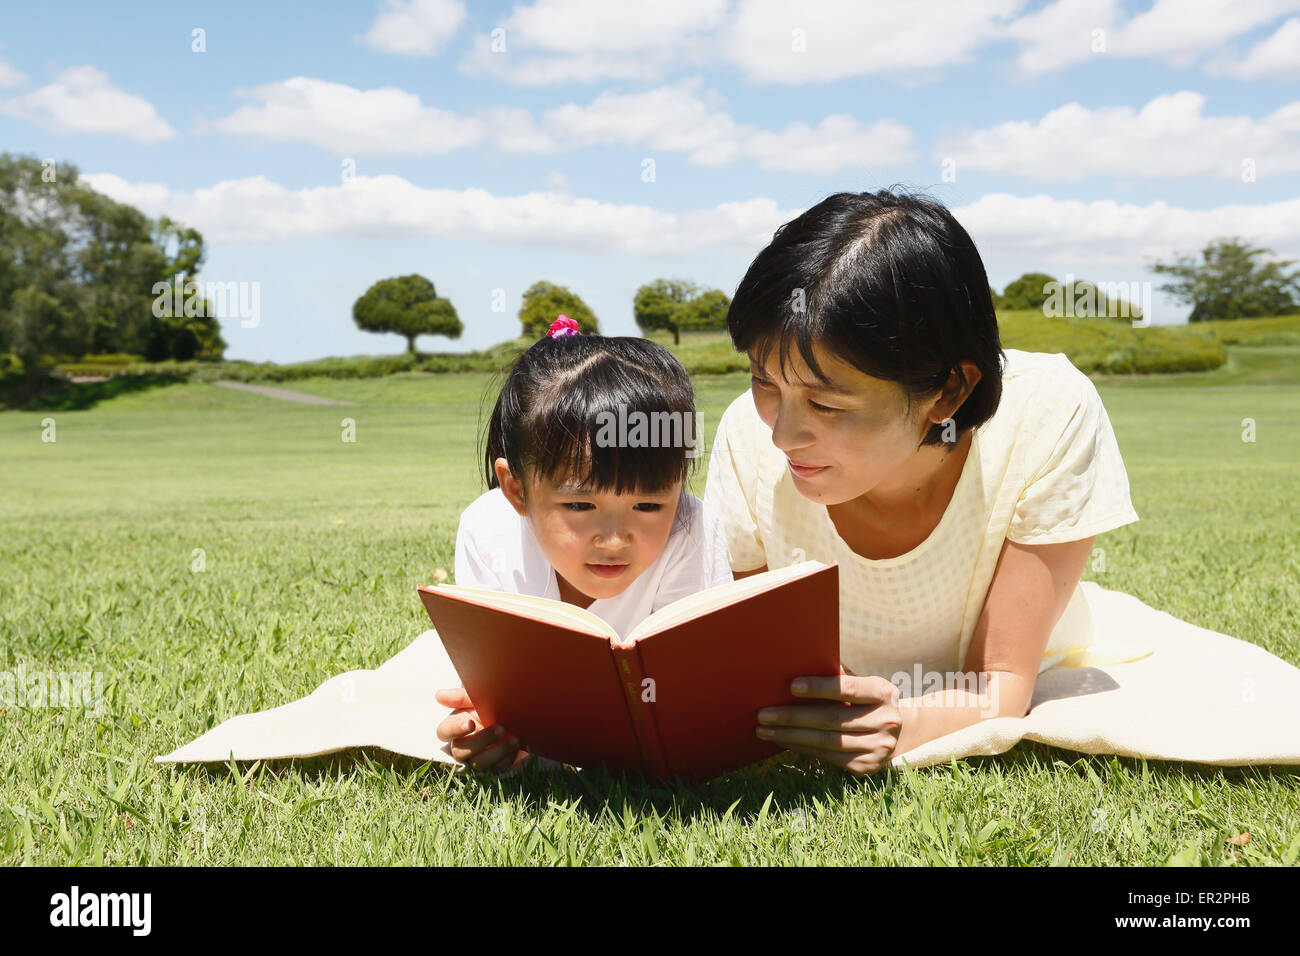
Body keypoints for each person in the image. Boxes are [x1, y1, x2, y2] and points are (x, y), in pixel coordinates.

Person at [704, 188, 1145, 778]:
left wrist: (901, 725)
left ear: (949, 392)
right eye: (765, 383)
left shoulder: (1048, 414)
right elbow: (749, 661)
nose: (783, 436)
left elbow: (1001, 684)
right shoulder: (745, 433)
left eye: (826, 404)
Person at [436, 316, 733, 773]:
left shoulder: (691, 529)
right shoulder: (486, 529)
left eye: (649, 506)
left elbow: (695, 697)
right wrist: (484, 732)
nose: (614, 539)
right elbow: (493, 692)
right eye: (579, 506)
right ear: (516, 490)